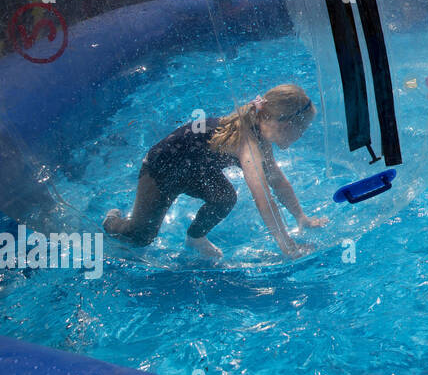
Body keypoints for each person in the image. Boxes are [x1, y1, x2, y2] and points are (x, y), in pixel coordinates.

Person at [104, 84, 327, 261]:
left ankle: (195, 238)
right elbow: (262, 197)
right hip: (162, 168)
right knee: (141, 237)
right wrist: (286, 244)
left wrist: (301, 217)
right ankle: (111, 221)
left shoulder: (262, 137)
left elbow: (277, 181)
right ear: (286, 124)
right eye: (303, 128)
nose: (302, 134)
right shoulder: (247, 143)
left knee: (224, 197)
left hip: (197, 171)